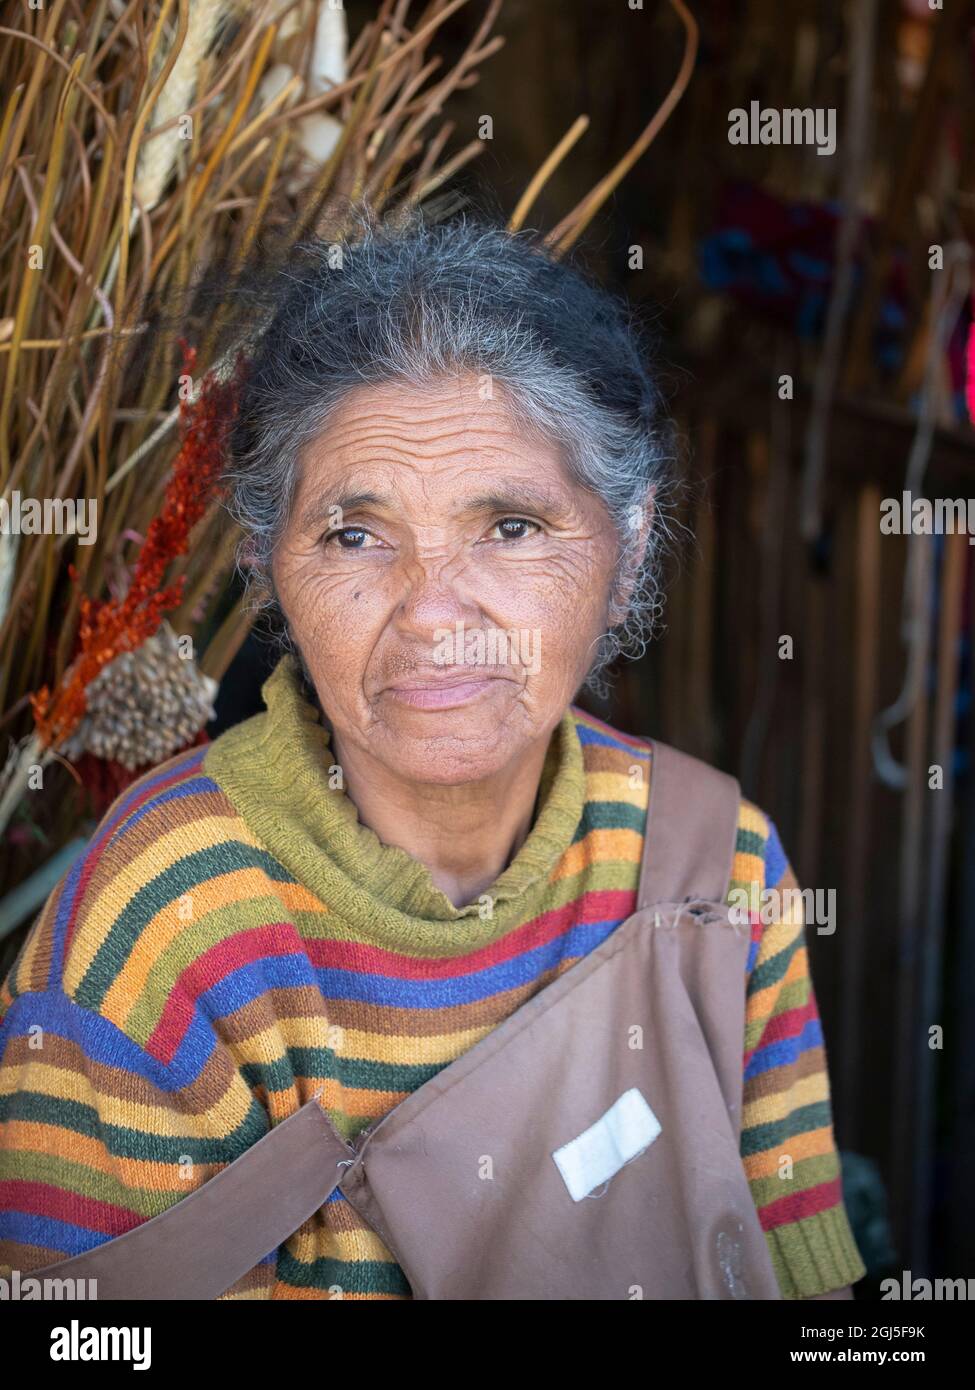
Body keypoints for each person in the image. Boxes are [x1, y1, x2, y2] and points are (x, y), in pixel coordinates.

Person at [0, 215, 865, 1299]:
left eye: (510, 525)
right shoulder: (160, 926)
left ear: (631, 542)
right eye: (356, 535)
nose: (433, 614)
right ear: (270, 570)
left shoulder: (715, 870)